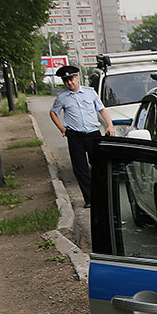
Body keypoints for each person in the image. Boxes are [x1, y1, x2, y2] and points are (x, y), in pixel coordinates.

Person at [48, 64, 114, 208]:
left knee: (98, 166)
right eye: (66, 81)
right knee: (80, 168)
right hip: (75, 136)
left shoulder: (90, 93)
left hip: (93, 134)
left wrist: (110, 125)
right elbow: (53, 112)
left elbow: (102, 109)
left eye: (71, 79)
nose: (69, 82)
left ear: (77, 78)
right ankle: (89, 199)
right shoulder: (62, 97)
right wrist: (62, 128)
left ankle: (103, 196)